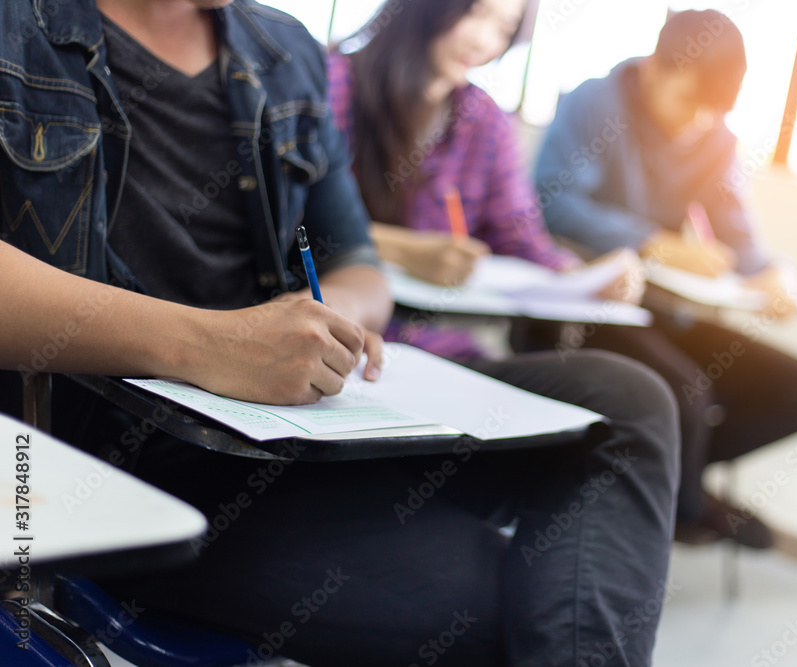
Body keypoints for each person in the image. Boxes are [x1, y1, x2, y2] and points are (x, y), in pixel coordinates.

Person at [0, 1, 680, 664]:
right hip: (120, 472)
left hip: (292, 433)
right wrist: (212, 344)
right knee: (545, 606)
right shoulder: (19, 25)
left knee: (628, 396)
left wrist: (327, 326)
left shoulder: (282, 50)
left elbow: (354, 260)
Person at [534, 9, 797, 548]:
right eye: (687, 102)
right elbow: (554, 201)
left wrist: (777, 276)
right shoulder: (594, 103)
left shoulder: (715, 140)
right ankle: (684, 503)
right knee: (686, 396)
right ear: (654, 68)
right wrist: (652, 242)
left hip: (671, 316)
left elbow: (744, 244)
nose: (697, 123)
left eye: (711, 111)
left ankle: (677, 486)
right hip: (591, 310)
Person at [327, 0, 645, 363]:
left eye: (503, 29)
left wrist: (585, 278)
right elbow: (291, 219)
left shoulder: (485, 121)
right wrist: (401, 249)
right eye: (474, 14)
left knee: (626, 389)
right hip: (345, 336)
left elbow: (521, 237)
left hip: (440, 347)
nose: (483, 42)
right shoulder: (332, 82)